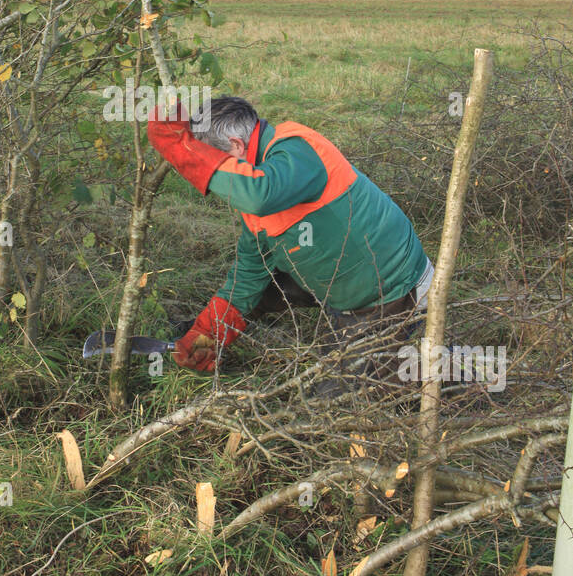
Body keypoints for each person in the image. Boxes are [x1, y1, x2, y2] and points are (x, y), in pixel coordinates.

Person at [146, 94, 433, 373]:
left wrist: (180, 147)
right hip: (339, 273)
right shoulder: (257, 190)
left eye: (218, 165)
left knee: (339, 399)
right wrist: (208, 333)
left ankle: (452, 378)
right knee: (257, 291)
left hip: (393, 292)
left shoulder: (295, 148)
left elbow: (260, 195)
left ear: (236, 146)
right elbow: (248, 275)